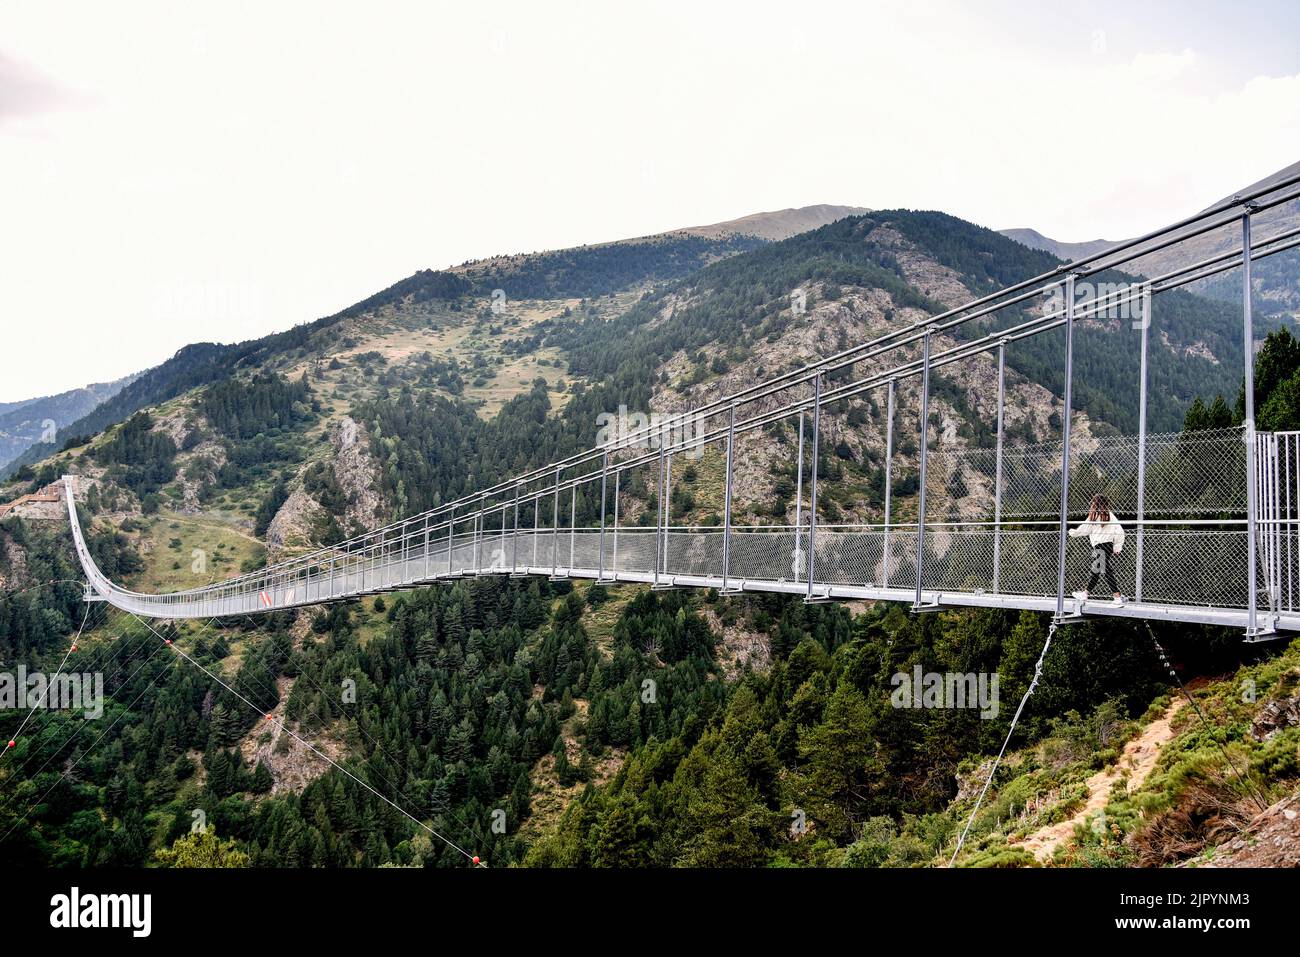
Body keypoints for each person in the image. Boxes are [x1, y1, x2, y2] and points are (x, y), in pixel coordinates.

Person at [1069, 494, 1125, 605]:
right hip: (1108, 546)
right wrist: (1117, 546)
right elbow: (1119, 531)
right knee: (1096, 570)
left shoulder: (1093, 516)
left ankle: (1117, 596)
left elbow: (1084, 528)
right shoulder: (1110, 515)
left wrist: (1073, 532)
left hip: (1099, 546)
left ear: (1095, 504)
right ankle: (1085, 594)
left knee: (1105, 570)